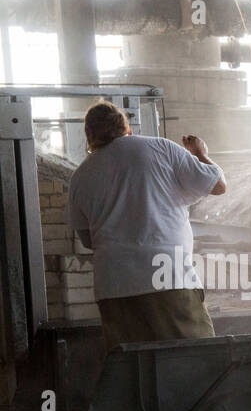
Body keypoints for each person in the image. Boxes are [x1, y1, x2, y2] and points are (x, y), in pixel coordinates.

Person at [67, 100, 228, 351]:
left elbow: (88, 240)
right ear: (127, 128)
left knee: (133, 373)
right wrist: (200, 154)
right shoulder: (160, 147)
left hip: (113, 287)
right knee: (195, 364)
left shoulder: (80, 176)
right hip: (167, 277)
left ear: (89, 134)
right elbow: (218, 185)